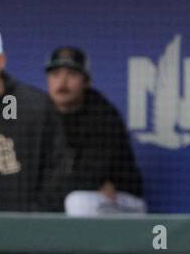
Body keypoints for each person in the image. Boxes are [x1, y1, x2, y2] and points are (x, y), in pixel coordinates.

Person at [0, 25, 69, 212]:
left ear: (1, 60)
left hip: (29, 226)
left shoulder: (33, 105)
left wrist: (36, 215)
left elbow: (58, 167)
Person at [44, 45, 146, 215]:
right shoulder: (42, 114)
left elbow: (90, 177)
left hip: (124, 202)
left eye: (72, 74)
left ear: (87, 82)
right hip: (78, 193)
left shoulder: (103, 115)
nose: (62, 83)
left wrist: (49, 187)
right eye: (55, 75)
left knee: (78, 202)